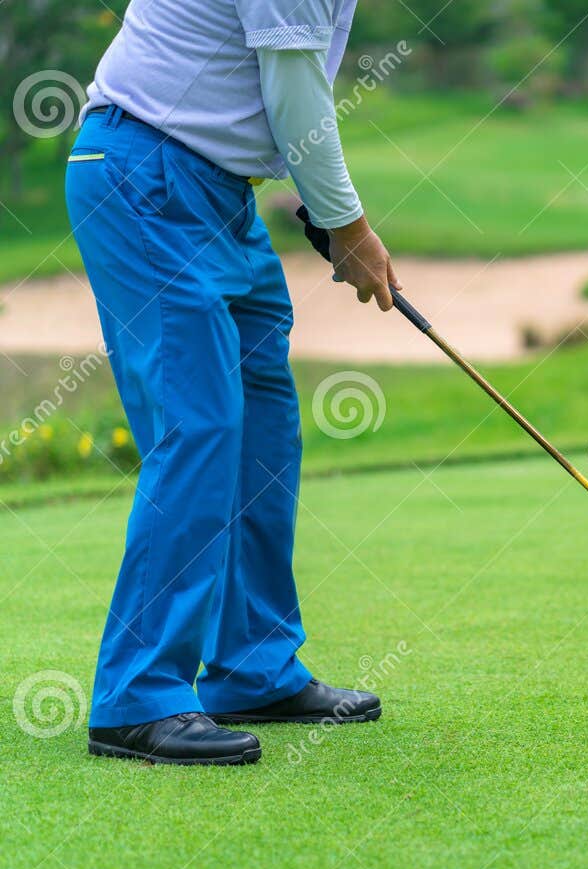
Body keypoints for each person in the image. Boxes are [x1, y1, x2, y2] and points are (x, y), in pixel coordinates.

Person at [66, 0, 399, 765]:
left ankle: (254, 667)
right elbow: (293, 88)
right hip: (147, 172)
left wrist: (324, 207)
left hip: (217, 189)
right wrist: (348, 225)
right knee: (200, 426)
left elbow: (288, 84)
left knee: (260, 426)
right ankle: (137, 695)